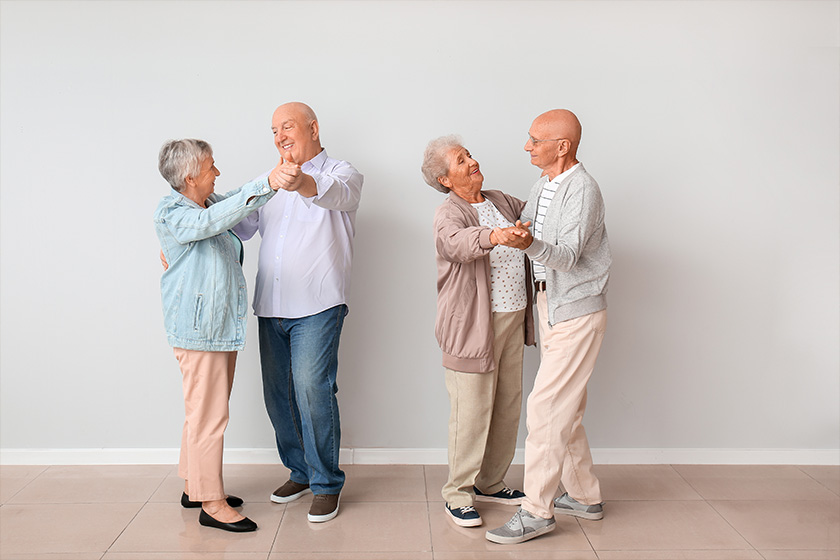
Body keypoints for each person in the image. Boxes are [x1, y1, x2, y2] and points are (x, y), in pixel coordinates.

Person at [233, 102, 363, 523]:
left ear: (313, 127)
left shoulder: (343, 173)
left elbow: (332, 194)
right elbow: (238, 224)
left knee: (313, 390)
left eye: (287, 127)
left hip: (318, 304)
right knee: (278, 396)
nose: (279, 136)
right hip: (271, 305)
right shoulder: (267, 182)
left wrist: (301, 180)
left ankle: (326, 485)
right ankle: (301, 471)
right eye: (273, 130)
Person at [486, 109, 611, 545]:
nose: (527, 146)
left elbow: (568, 255)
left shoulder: (583, 189)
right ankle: (585, 496)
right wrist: (525, 235)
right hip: (550, 305)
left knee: (545, 407)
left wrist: (530, 244)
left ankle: (537, 511)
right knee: (565, 408)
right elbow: (538, 241)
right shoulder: (543, 185)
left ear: (563, 146)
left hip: (576, 309)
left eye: (536, 139)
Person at [154, 139, 286, 533]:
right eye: (212, 167)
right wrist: (269, 182)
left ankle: (194, 485)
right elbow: (221, 218)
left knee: (200, 412)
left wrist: (273, 176)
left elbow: (239, 198)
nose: (218, 173)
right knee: (210, 417)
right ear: (190, 176)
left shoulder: (208, 204)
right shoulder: (174, 212)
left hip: (214, 329)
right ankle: (212, 502)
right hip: (200, 331)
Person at [421, 135, 536, 528]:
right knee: (470, 411)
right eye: (460, 160)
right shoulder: (448, 212)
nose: (472, 161)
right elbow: (455, 244)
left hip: (512, 317)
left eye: (469, 154)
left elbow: (536, 212)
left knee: (507, 404)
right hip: (472, 326)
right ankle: (458, 492)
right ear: (445, 179)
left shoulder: (500, 200)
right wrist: (497, 236)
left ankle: (491, 482)